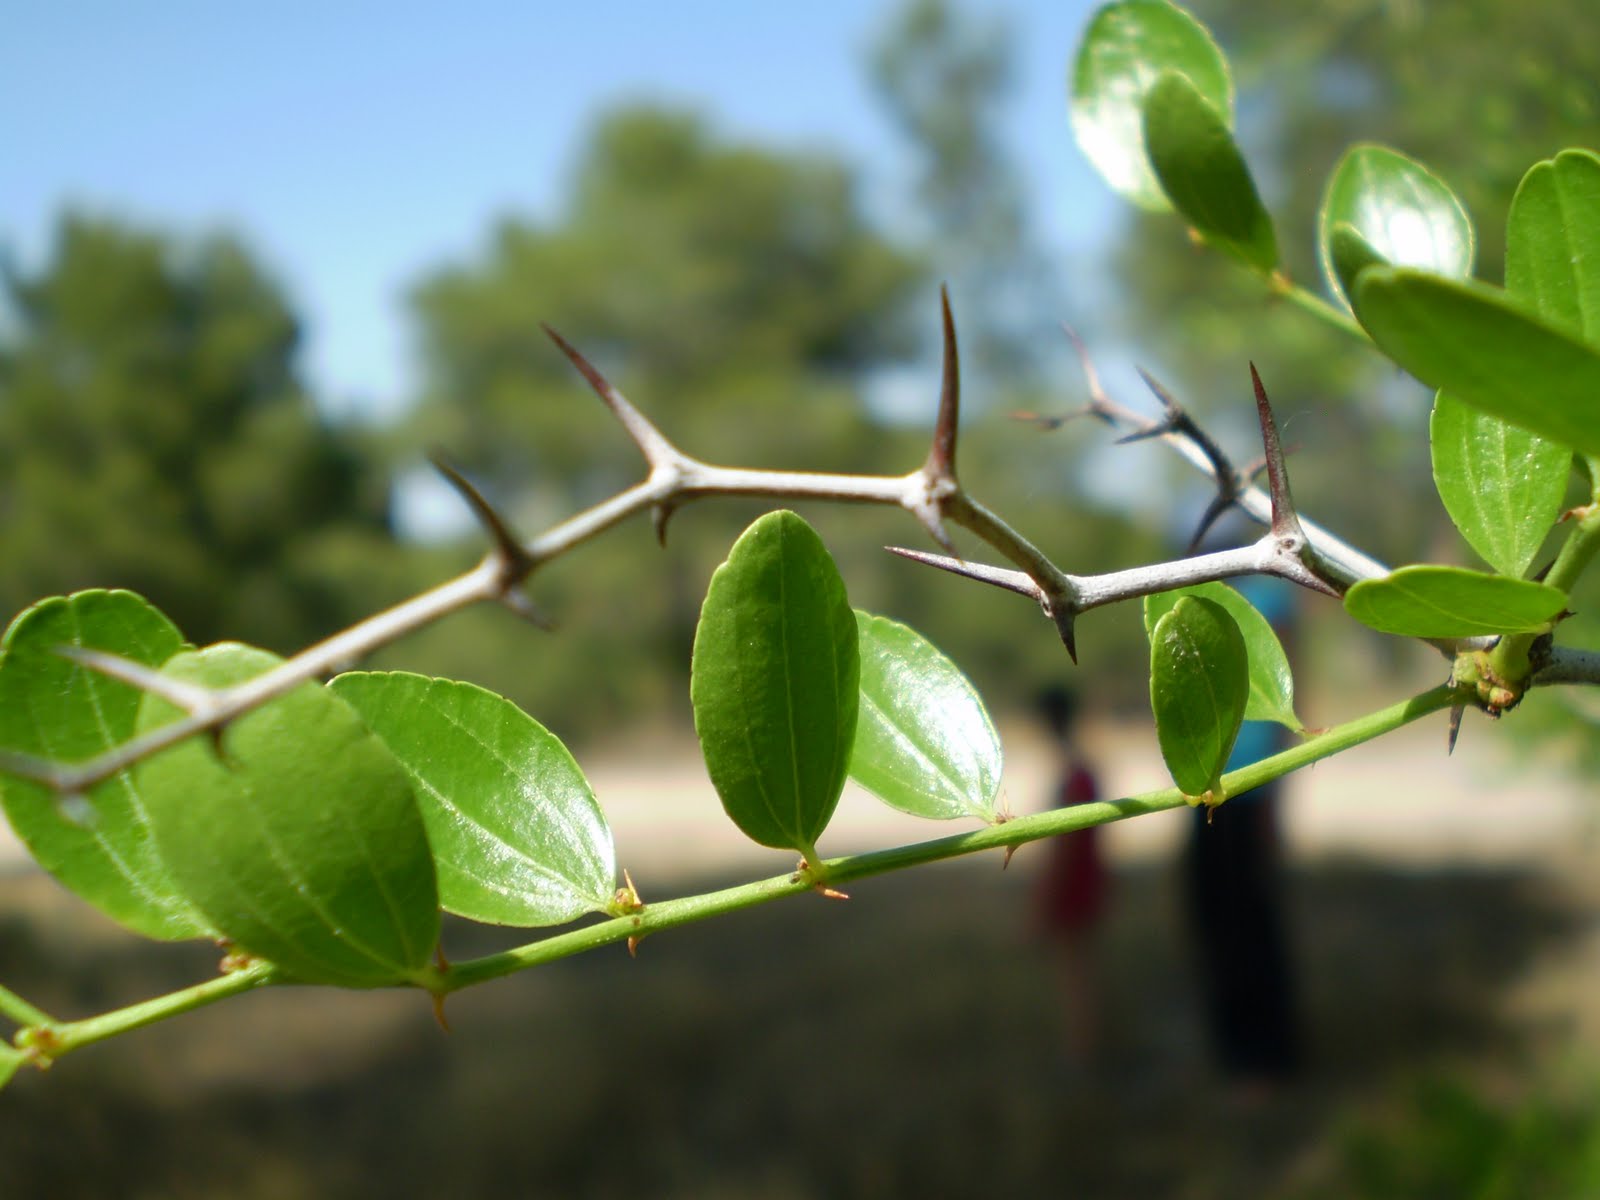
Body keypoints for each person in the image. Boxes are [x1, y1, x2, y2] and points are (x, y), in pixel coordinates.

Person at [1183, 577, 1302, 1093]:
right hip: (1204, 787)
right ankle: (1235, 1052)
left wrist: (1276, 797)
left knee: (1250, 924)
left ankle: (1266, 1057)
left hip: (1250, 790)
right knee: (1210, 916)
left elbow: (1289, 692)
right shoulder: (1189, 594)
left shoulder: (1270, 597)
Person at [1032, 685, 1108, 1071]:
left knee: (1074, 973)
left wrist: (1045, 897)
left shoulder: (1071, 775)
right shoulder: (1084, 769)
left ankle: (1082, 1054)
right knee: (1081, 968)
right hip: (1088, 878)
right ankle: (1084, 1048)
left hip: (1073, 882)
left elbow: (1065, 847)